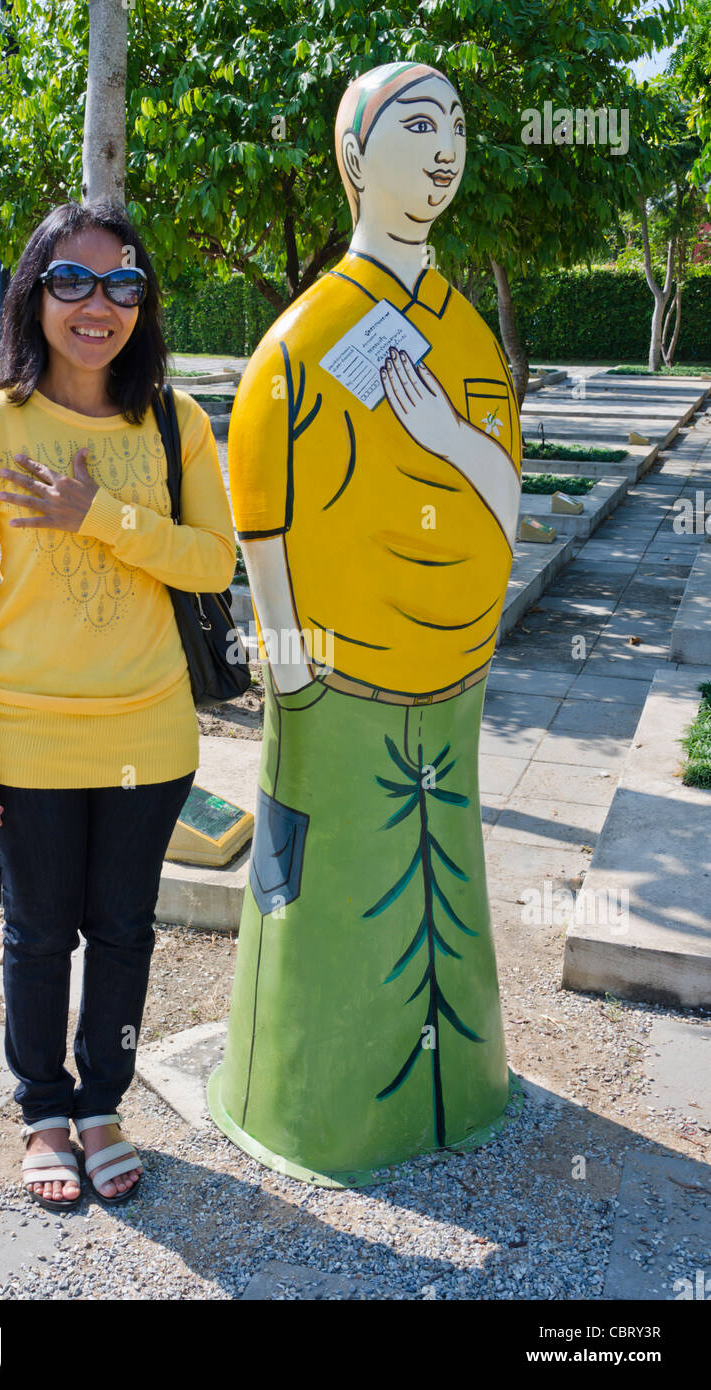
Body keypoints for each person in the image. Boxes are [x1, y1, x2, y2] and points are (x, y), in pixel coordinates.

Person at [209, 62, 523, 1184]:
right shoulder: (301, 342)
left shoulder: (469, 339)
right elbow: (264, 528)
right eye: (417, 126)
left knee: (444, 888)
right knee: (334, 897)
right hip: (336, 689)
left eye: (457, 129)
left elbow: (507, 499)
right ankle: (309, 1098)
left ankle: (455, 1086)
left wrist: (445, 439)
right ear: (354, 157)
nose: (445, 152)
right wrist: (289, 678)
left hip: (455, 678)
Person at [0, 198, 236, 1208]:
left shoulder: (175, 421)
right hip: (26, 735)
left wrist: (98, 515)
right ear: (34, 293)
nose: (96, 303)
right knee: (35, 932)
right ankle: (42, 1111)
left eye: (121, 283)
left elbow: (212, 558)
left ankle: (101, 1104)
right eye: (72, 280)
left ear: (144, 303)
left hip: (149, 733)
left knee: (123, 929)